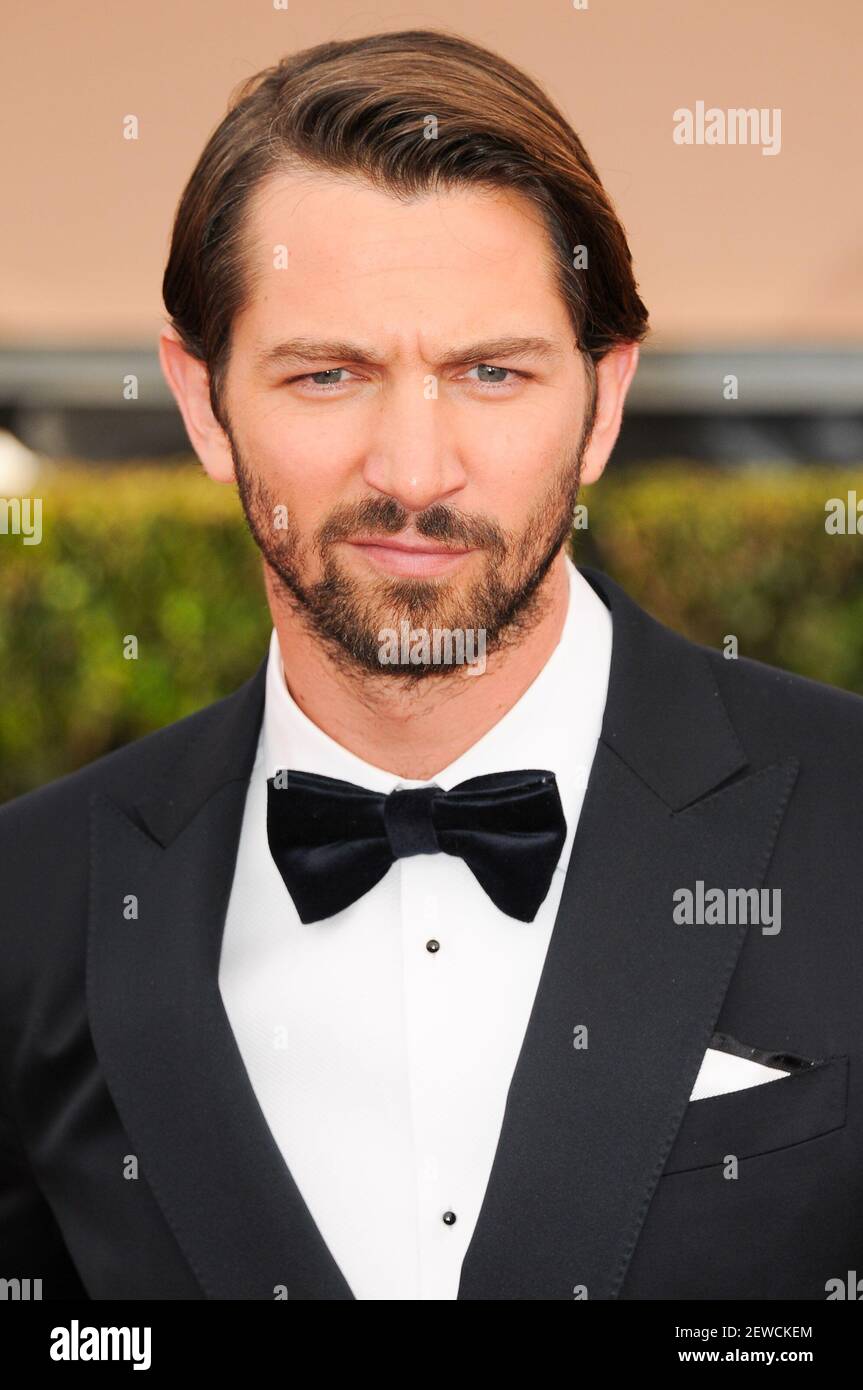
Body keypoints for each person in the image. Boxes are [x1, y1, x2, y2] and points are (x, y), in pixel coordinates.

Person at [1, 29, 861, 1302]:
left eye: (490, 372)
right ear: (202, 400)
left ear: (602, 401)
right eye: (328, 373)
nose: (412, 471)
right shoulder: (30, 904)